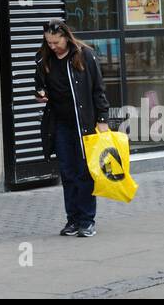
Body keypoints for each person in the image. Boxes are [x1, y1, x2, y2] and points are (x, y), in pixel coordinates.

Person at [35, 18, 110, 238]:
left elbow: (98, 88)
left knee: (84, 172)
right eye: (49, 42)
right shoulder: (43, 59)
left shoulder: (85, 55)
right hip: (59, 124)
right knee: (67, 173)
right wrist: (40, 94)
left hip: (83, 124)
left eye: (56, 42)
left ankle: (87, 221)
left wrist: (102, 119)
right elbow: (39, 86)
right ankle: (72, 220)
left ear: (66, 37)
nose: (53, 46)